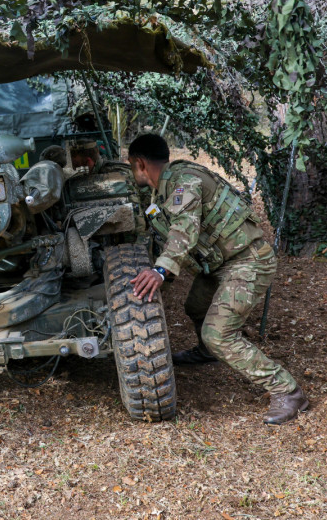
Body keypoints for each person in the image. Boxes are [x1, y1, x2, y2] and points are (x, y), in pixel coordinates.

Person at [127, 133, 309, 425]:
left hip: (248, 261)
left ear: (140, 164)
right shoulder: (160, 192)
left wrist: (160, 270)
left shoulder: (183, 182)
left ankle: (287, 391)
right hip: (221, 264)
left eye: (131, 167)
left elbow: (184, 228)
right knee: (196, 306)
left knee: (219, 333)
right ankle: (207, 352)